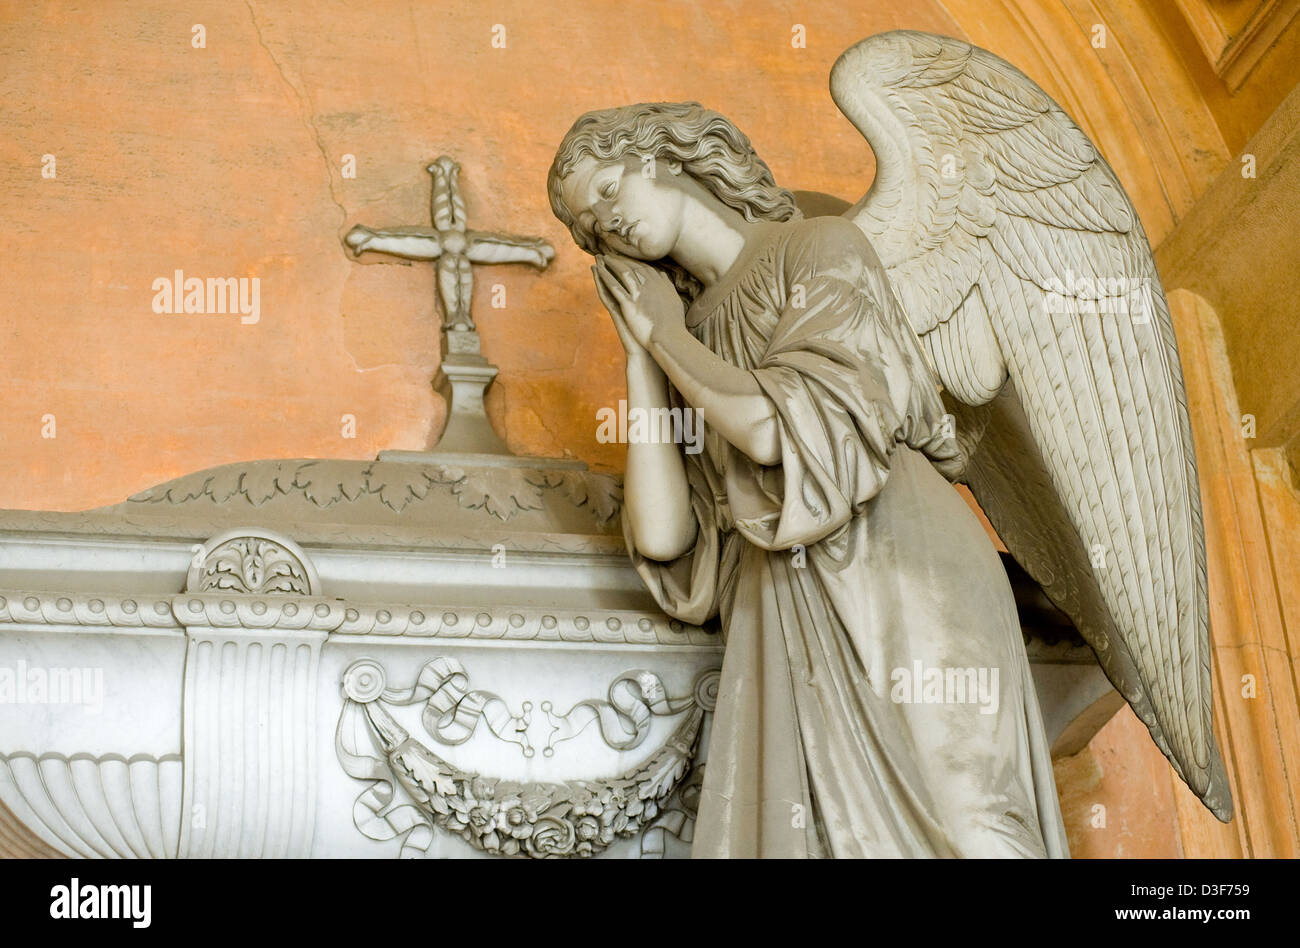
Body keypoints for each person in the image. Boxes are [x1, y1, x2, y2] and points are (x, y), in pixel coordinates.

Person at [548, 101, 1069, 857]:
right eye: (589, 231)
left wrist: (664, 337)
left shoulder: (820, 250)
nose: (606, 227)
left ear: (661, 156)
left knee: (968, 814)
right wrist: (641, 355)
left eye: (605, 192)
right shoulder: (683, 342)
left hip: (898, 559)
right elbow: (665, 538)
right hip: (784, 596)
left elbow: (774, 430)